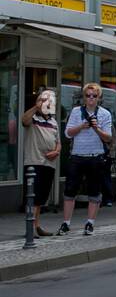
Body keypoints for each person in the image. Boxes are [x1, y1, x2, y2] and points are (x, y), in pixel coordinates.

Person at [58, 83, 112, 236]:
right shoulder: (76, 112)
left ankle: (90, 223)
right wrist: (82, 126)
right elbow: (68, 133)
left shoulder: (105, 114)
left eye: (94, 96)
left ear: (99, 98)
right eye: (88, 95)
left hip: (96, 156)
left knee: (94, 191)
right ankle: (66, 223)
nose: (91, 99)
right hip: (77, 156)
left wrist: (96, 128)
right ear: (84, 97)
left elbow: (108, 138)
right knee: (70, 190)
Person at [20, 89, 61, 236]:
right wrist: (36, 107)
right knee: (33, 196)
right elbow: (24, 120)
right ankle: (30, 227)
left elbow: (58, 142)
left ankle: (36, 226)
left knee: (41, 197)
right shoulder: (33, 118)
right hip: (34, 162)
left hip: (49, 164)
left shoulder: (53, 120)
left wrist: (56, 151)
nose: (46, 103)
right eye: (43, 100)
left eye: (49, 100)